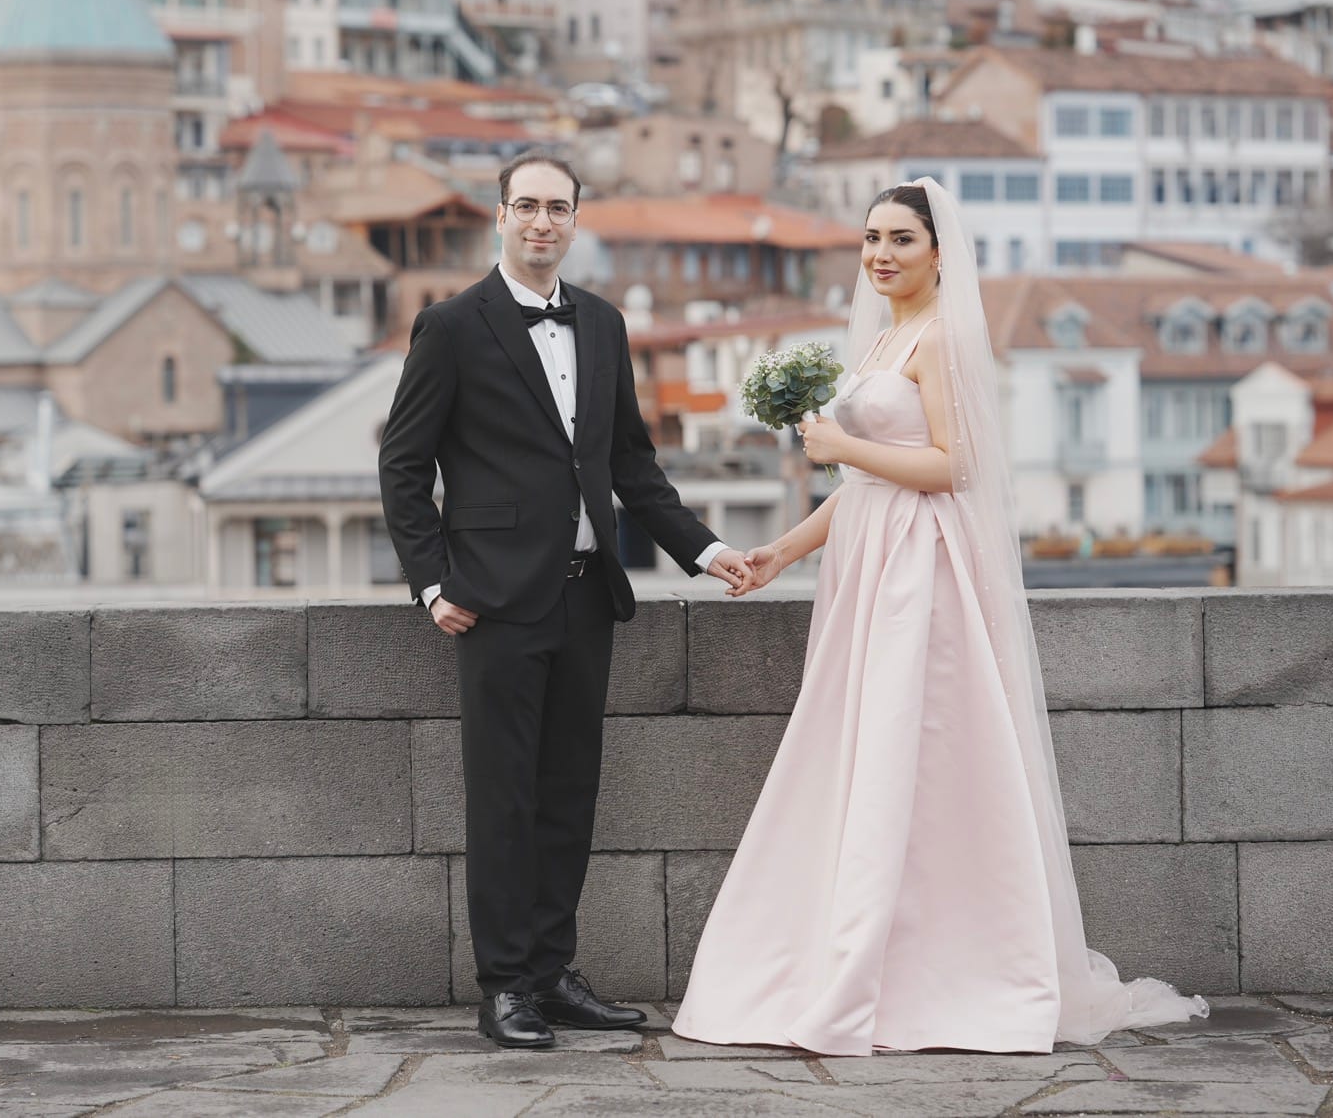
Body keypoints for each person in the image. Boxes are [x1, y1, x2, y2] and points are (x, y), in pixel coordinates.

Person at [671, 178, 1208, 1055]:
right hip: (870, 560)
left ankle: (932, 971)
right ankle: (858, 956)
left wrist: (843, 443)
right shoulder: (886, 335)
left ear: (937, 252)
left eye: (901, 239)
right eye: (872, 237)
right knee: (858, 748)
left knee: (910, 747)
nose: (880, 253)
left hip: (922, 568)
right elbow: (865, 483)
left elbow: (956, 468)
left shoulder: (948, 336)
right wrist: (783, 551)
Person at [378, 152, 755, 1050]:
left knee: (568, 795)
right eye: (526, 207)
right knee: (502, 799)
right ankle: (504, 985)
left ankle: (551, 972)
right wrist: (433, 582)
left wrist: (705, 551)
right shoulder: (451, 325)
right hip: (494, 604)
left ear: (577, 219)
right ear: (499, 218)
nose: (542, 221)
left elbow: (631, 462)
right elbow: (403, 465)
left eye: (558, 208)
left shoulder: (605, 323)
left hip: (590, 598)